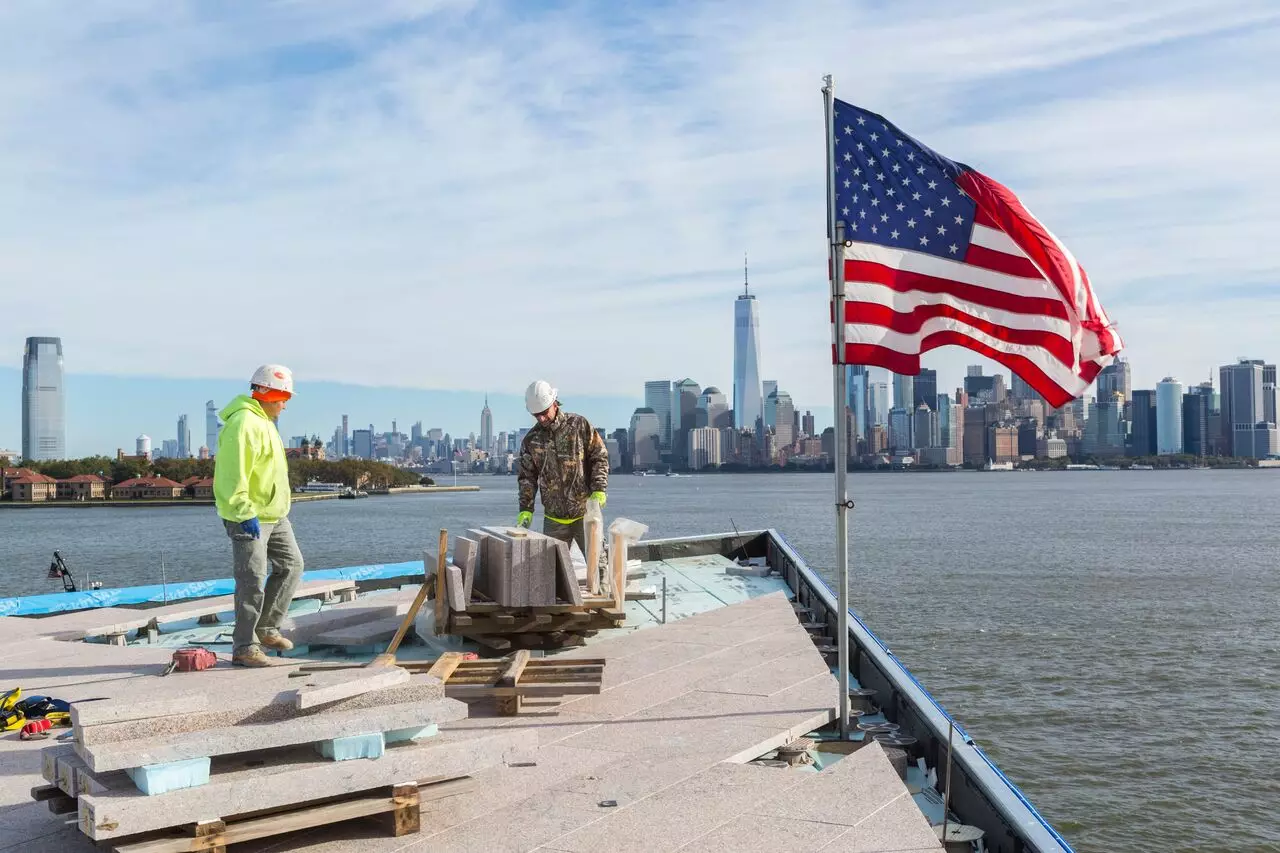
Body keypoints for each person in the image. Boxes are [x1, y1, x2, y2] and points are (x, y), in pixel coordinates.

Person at [213, 364, 304, 667]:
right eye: (283, 397)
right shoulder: (243, 423)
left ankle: (266, 628)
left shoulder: (265, 422)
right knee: (251, 579)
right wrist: (242, 510)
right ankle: (244, 647)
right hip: (248, 515)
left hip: (275, 515)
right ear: (267, 393)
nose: (285, 404)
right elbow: (231, 471)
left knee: (292, 565)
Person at [516, 380, 608, 554]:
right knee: (552, 571)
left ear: (554, 404)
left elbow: (599, 456)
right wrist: (525, 509)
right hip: (554, 519)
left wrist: (599, 488)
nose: (542, 418)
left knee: (598, 565)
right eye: (537, 415)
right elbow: (527, 478)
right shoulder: (531, 440)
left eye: (544, 413)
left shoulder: (579, 426)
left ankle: (601, 583)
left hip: (585, 513)